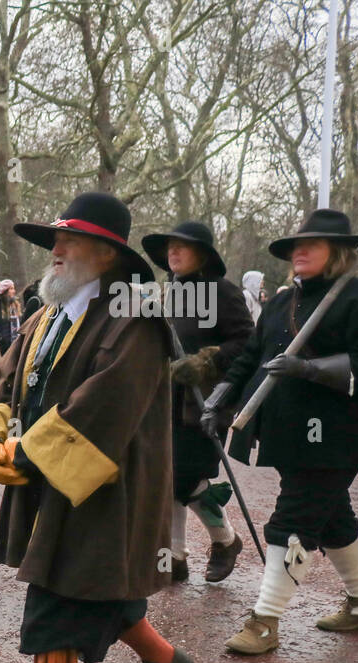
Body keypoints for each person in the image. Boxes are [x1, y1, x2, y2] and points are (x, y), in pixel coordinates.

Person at [0, 191, 196, 663]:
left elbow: (105, 407)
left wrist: (23, 451)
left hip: (106, 489)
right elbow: (6, 380)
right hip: (52, 478)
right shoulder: (48, 314)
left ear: (106, 254)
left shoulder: (137, 319)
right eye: (54, 241)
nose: (56, 250)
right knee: (101, 591)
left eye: (68, 241)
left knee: (57, 598)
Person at [201, 208, 358, 655]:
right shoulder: (278, 303)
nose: (299, 252)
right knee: (332, 519)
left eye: (311, 244)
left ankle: (265, 620)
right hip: (288, 432)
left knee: (292, 521)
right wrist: (220, 398)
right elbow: (249, 357)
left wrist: (309, 368)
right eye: (296, 245)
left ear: (340, 252)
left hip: (337, 436)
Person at [140, 220, 252, 583]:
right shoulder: (164, 294)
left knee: (186, 476)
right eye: (169, 246)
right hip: (164, 401)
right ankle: (175, 555)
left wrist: (205, 361)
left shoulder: (223, 292)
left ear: (202, 254)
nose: (173, 252)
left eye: (182, 246)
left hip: (205, 401)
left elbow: (248, 344)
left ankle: (225, 540)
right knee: (169, 475)